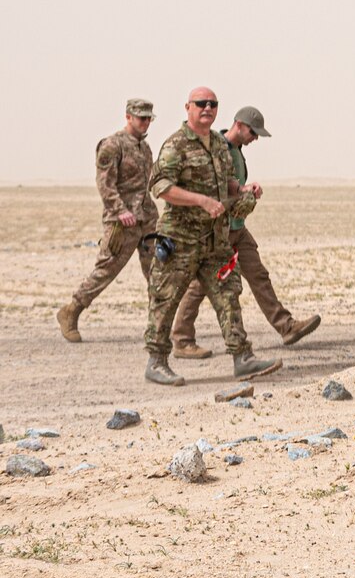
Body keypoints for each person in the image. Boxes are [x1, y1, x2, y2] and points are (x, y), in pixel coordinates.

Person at [138, 88, 280, 386]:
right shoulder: (176, 145)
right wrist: (200, 200)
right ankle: (157, 361)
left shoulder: (217, 142)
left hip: (214, 240)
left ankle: (242, 357)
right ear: (188, 107)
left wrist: (241, 190)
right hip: (181, 239)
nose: (207, 108)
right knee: (165, 299)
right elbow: (161, 187)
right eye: (201, 104)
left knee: (228, 295)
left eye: (212, 104)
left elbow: (224, 181)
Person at [168, 106, 321, 355]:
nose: (255, 138)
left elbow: (232, 185)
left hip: (237, 228)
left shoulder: (237, 151)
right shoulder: (216, 149)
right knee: (202, 284)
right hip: (219, 230)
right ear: (239, 124)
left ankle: (286, 326)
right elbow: (208, 186)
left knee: (258, 275)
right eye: (253, 131)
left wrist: (246, 190)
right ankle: (182, 339)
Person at [58, 98, 157, 342]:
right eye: (141, 117)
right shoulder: (112, 145)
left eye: (148, 118)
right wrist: (119, 210)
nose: (145, 122)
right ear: (128, 117)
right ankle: (71, 310)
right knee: (106, 270)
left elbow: (149, 182)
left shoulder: (145, 148)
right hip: (122, 222)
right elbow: (105, 184)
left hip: (147, 219)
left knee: (157, 272)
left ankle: (158, 325)